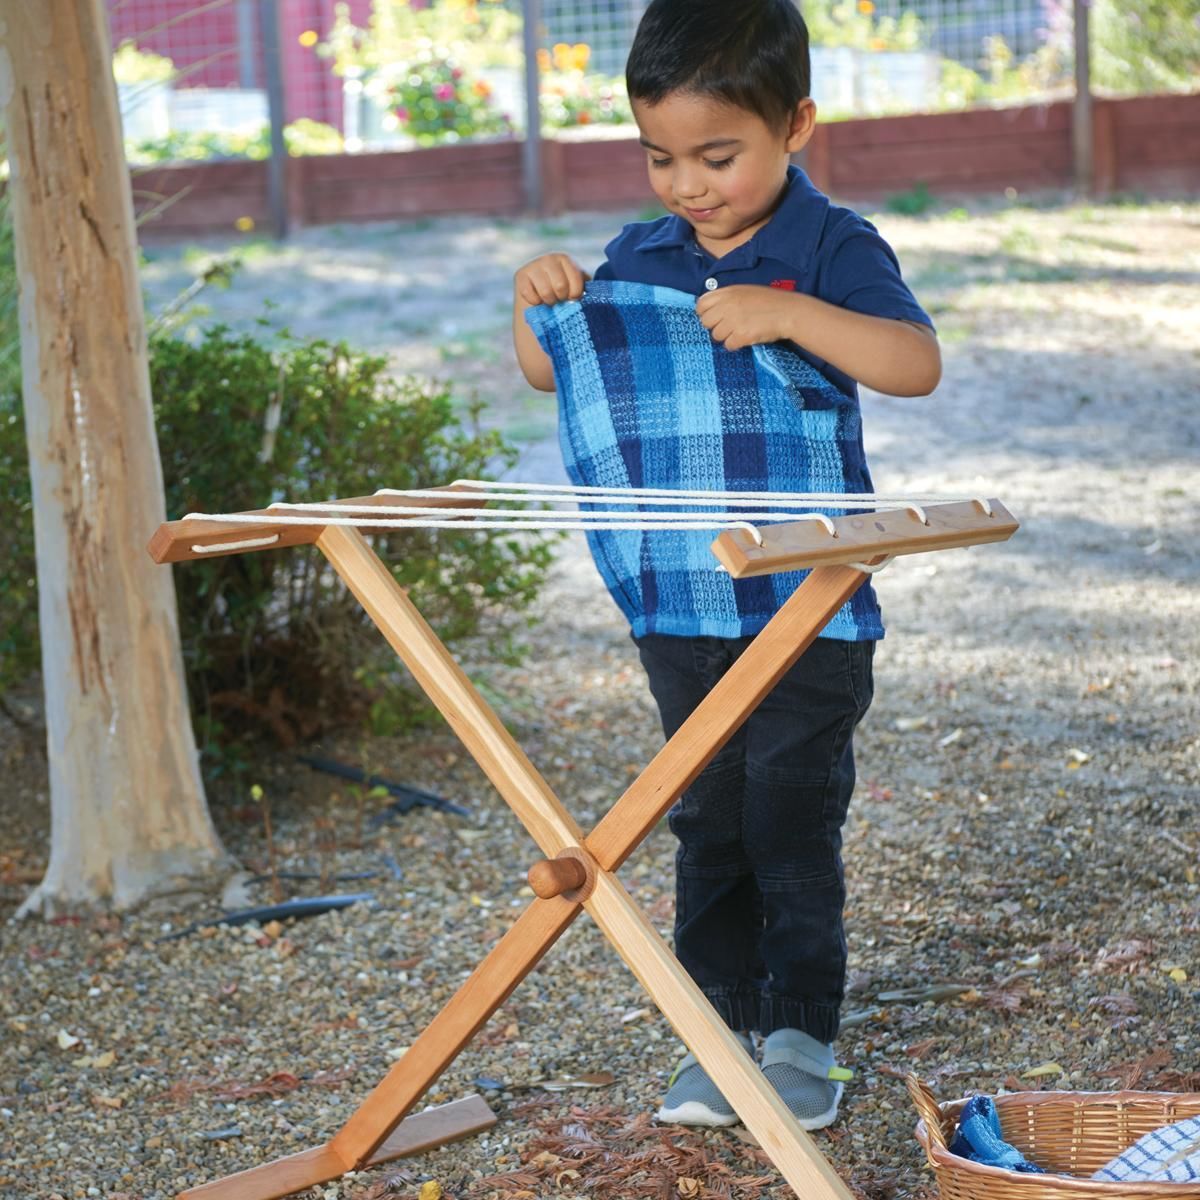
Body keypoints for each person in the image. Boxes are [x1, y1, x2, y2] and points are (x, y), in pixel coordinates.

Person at [511, 0, 941, 1132]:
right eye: (660, 157)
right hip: (682, 594)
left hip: (810, 603)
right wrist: (535, 302)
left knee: (788, 813)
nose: (688, 186)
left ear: (795, 124)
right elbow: (555, 374)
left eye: (717, 156)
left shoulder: (829, 245)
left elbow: (913, 362)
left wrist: (787, 314)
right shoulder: (641, 251)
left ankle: (800, 1038)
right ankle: (718, 1032)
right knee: (707, 816)